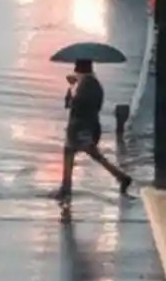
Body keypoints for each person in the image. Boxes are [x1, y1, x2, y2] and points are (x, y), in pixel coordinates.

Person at [55, 59, 132, 204]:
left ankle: (66, 187)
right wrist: (72, 88)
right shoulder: (91, 84)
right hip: (87, 126)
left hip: (82, 127)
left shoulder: (87, 85)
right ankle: (66, 186)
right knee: (80, 153)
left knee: (82, 153)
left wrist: (72, 92)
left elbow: (75, 105)